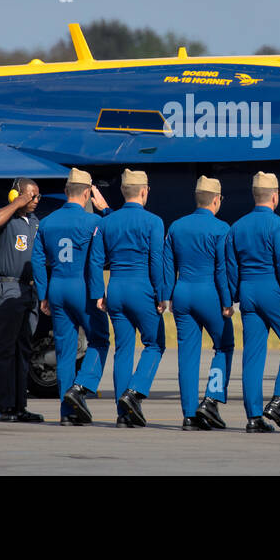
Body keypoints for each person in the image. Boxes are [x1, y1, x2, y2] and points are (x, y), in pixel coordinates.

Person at [32, 168, 112, 425]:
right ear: (88, 193)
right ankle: (82, 387)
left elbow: (37, 261)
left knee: (64, 351)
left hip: (57, 288)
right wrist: (107, 211)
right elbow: (102, 255)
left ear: (66, 192)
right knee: (99, 340)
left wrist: (43, 294)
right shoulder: (94, 222)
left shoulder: (46, 222)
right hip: (83, 289)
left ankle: (68, 413)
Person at [225, 171, 280, 432]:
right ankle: (279, 399)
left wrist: (235, 295)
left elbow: (231, 266)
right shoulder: (279, 225)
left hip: (247, 291)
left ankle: (253, 417)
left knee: (252, 355)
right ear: (274, 195)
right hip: (272, 290)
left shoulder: (237, 226)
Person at [90, 169, 167, 428]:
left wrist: (99, 293)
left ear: (124, 192)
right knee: (155, 344)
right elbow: (156, 260)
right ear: (144, 191)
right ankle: (134, 393)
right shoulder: (153, 221)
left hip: (116, 289)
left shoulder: (106, 222)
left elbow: (97, 260)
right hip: (142, 287)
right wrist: (162, 293)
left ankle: (124, 415)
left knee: (123, 349)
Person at [162, 176, 234, 431]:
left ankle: (189, 414)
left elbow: (168, 265)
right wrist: (227, 301)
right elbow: (223, 269)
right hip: (210, 294)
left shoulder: (177, 226)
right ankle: (211, 399)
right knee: (224, 346)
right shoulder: (221, 228)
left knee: (187, 355)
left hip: (182, 294)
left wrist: (166, 296)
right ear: (216, 200)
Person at [0, 178, 43, 423]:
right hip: (6, 288)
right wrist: (18, 202)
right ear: (16, 195)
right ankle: (4, 406)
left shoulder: (35, 223)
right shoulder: (6, 219)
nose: (35, 201)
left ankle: (20, 406)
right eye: (31, 196)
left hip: (28, 292)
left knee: (23, 350)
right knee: (5, 349)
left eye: (38, 197)